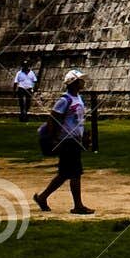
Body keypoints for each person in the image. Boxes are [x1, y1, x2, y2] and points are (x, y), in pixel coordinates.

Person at [33, 69, 93, 215]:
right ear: (73, 83)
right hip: (66, 141)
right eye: (80, 80)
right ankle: (77, 205)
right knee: (75, 173)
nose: (83, 82)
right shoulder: (64, 100)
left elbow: (78, 121)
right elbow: (53, 120)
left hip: (74, 140)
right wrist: (54, 139)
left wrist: (83, 136)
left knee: (65, 174)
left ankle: (42, 197)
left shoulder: (78, 98)